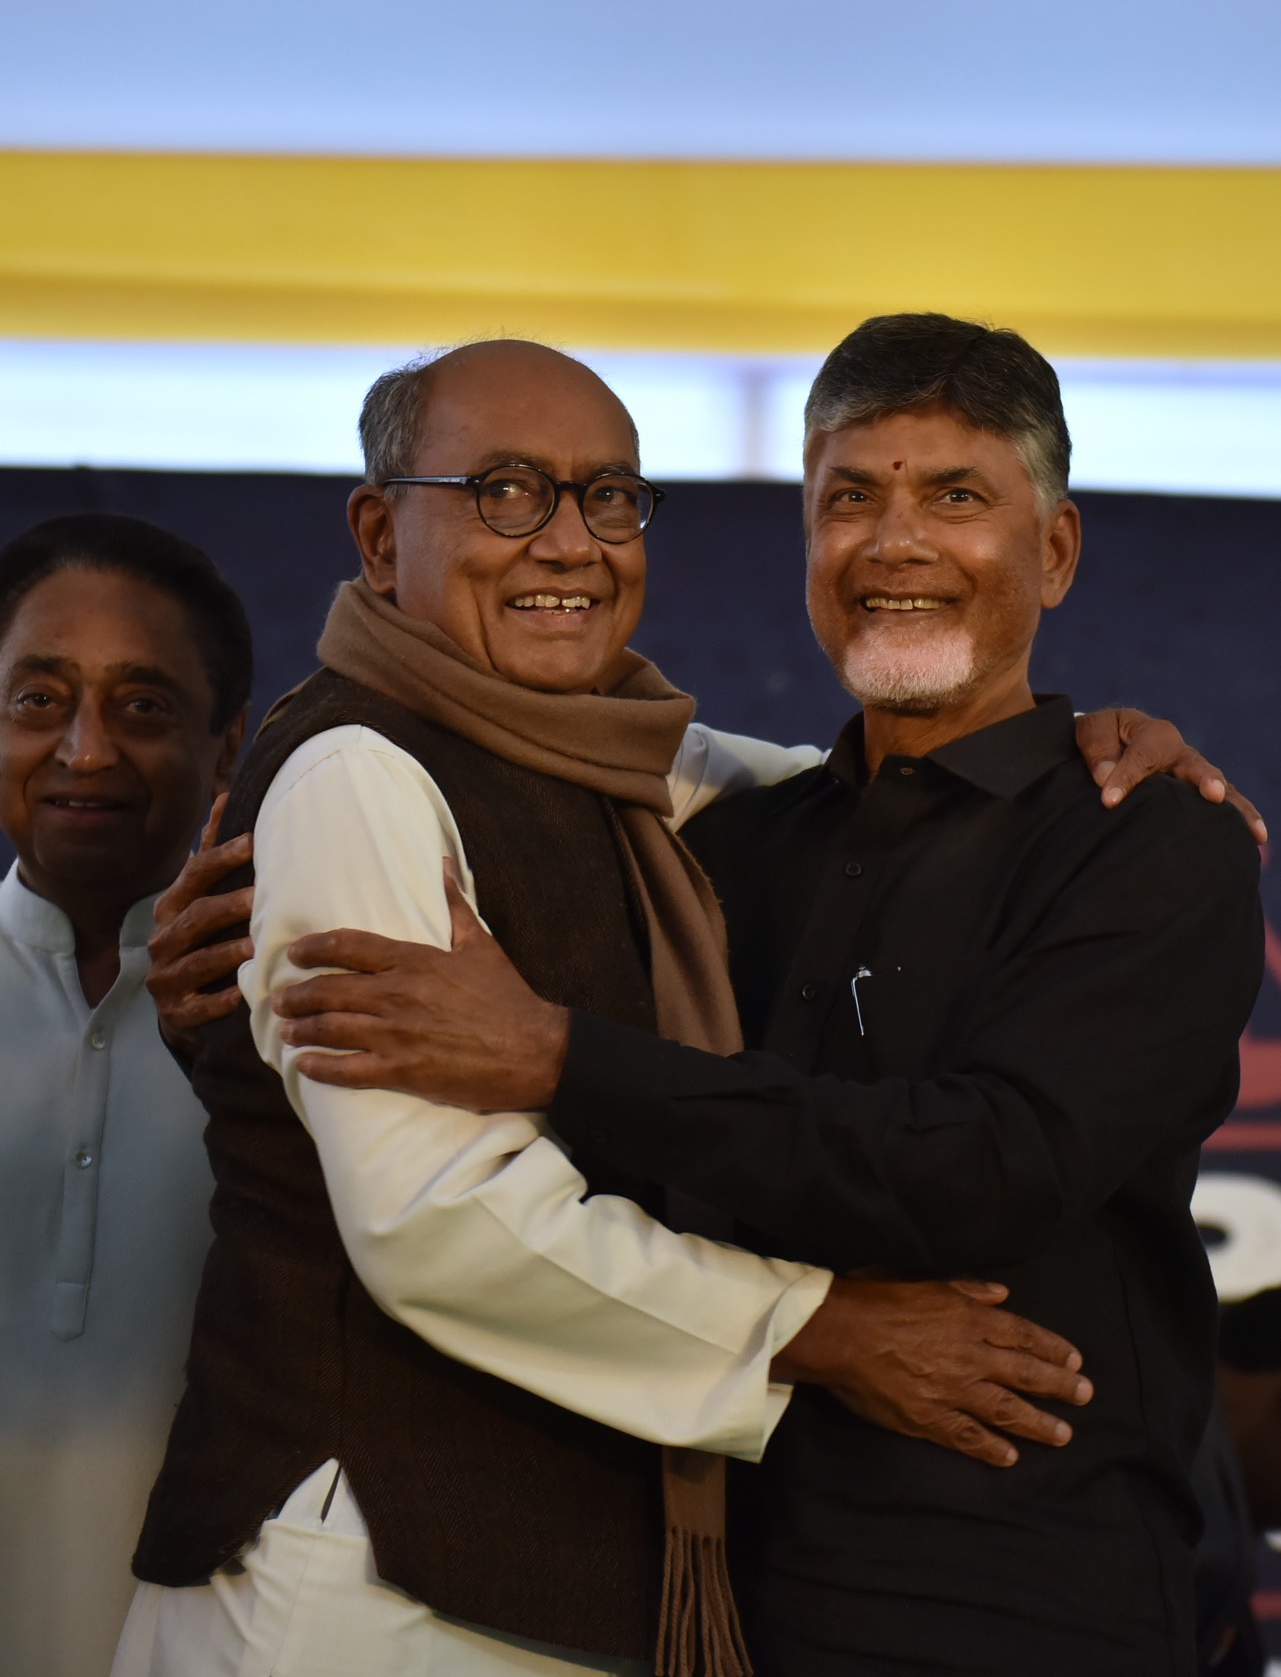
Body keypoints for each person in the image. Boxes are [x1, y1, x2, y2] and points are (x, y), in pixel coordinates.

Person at [118, 339, 1138, 1677]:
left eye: (608, 496)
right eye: (502, 491)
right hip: (354, 1594)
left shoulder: (610, 763)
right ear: (379, 534)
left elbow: (857, 795)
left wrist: (1084, 760)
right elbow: (440, 1217)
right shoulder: (357, 775)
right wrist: (820, 1329)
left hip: (533, 1594)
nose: (568, 543)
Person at [0, 513, 250, 1677]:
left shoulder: (299, 1030)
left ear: (231, 750)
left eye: (143, 706)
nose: (84, 751)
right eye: (37, 699)